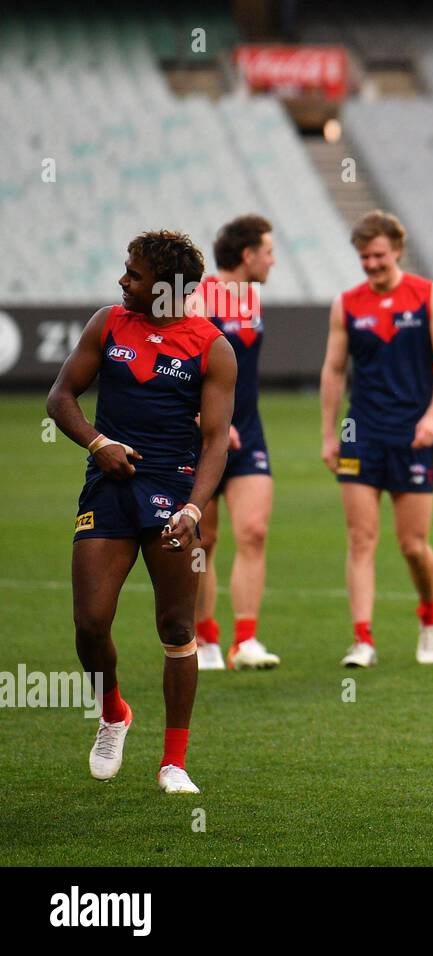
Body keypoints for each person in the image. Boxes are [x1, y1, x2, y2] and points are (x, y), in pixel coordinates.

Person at [46, 230, 236, 794]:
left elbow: (218, 441)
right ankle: (113, 713)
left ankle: (173, 762)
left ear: (168, 288)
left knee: (177, 627)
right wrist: (97, 442)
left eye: (134, 273)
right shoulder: (108, 323)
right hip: (108, 486)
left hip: (172, 495)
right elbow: (60, 399)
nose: (123, 280)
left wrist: (194, 510)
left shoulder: (212, 346)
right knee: (90, 624)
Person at [320, 211, 433, 667]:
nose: (372, 265)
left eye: (379, 256)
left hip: (412, 436)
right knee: (361, 538)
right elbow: (334, 370)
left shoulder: (427, 295)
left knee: (412, 545)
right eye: (364, 258)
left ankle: (429, 615)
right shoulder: (347, 303)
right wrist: (329, 432)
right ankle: (362, 639)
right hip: (360, 434)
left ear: (397, 250)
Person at [193, 214, 281, 671]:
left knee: (254, 531)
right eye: (268, 251)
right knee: (201, 540)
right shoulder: (198, 299)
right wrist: (207, 420)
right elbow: (181, 370)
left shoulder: (251, 299)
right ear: (247, 256)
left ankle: (244, 640)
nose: (273, 259)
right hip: (201, 438)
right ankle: (204, 639)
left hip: (249, 433)